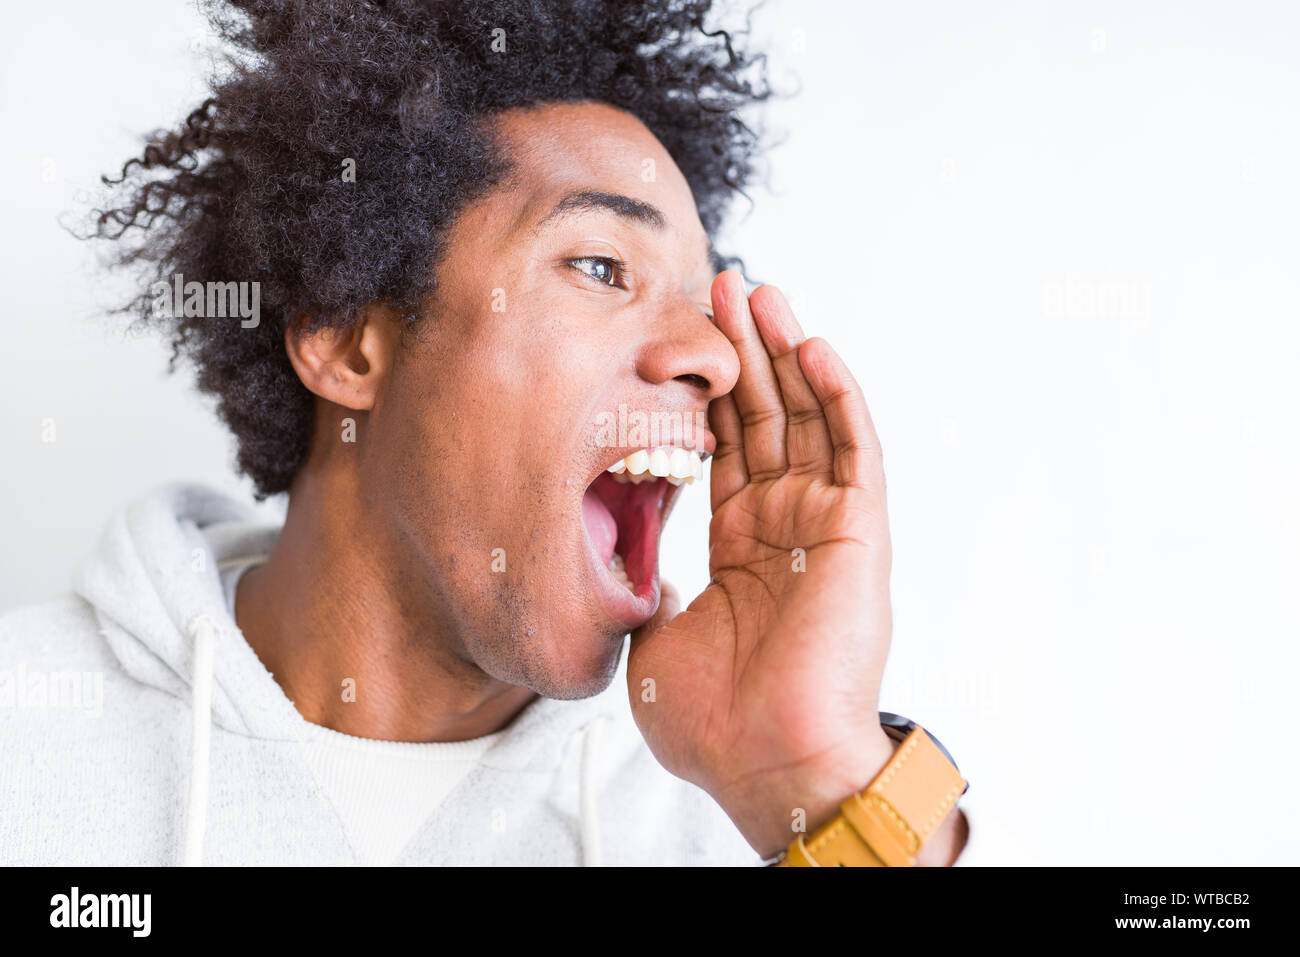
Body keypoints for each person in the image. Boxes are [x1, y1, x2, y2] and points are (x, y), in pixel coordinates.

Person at [0, 0, 1017, 866]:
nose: (714, 355)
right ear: (348, 337)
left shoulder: (738, 816)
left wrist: (814, 776)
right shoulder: (27, 740)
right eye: (600, 266)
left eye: (702, 298)